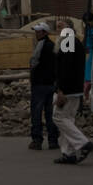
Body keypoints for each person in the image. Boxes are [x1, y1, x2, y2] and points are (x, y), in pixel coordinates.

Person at [51, 19, 92, 165]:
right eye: (57, 27)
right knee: (68, 119)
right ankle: (68, 153)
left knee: (58, 117)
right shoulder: (73, 42)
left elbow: (66, 69)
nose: (58, 29)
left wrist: (60, 89)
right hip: (74, 88)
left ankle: (83, 143)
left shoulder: (68, 42)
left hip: (67, 90)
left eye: (61, 26)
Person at [28, 22, 58, 151]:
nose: (36, 33)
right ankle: (53, 141)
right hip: (51, 84)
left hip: (40, 84)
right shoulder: (53, 46)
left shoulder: (40, 45)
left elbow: (33, 63)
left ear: (45, 32)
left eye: (39, 31)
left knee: (36, 113)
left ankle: (37, 140)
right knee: (50, 114)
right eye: (36, 31)